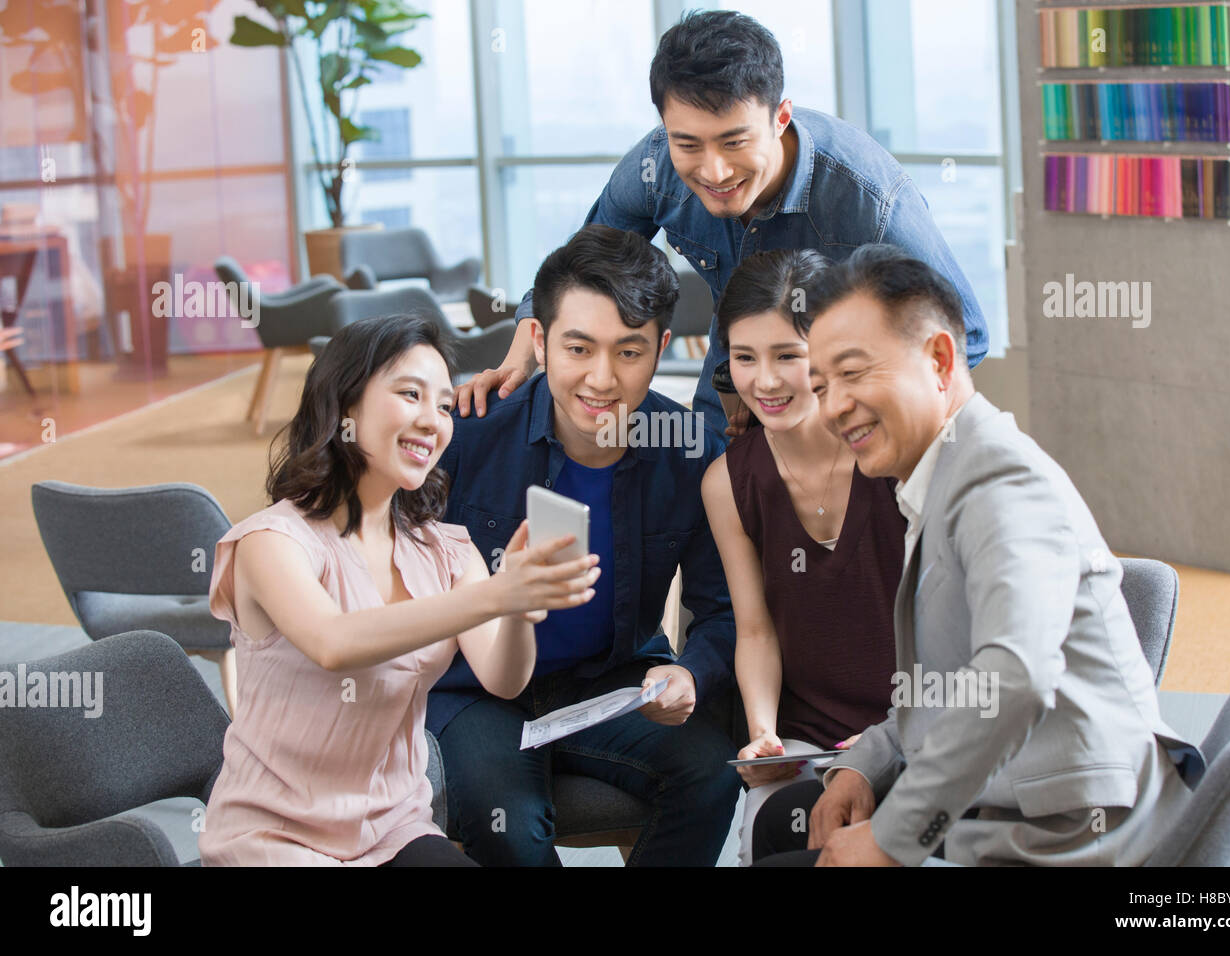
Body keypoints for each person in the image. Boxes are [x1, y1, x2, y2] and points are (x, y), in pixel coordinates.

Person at [752, 244, 1204, 866]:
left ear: (939, 360)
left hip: (1069, 836)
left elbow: (1014, 674)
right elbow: (953, 680)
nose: (832, 407)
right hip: (1016, 802)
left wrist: (891, 840)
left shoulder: (998, 482)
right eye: (823, 386)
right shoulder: (941, 474)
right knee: (791, 819)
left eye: (854, 374)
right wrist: (868, 762)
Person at [455, 9, 989, 441]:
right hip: (730, 384)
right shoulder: (652, 169)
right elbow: (576, 273)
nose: (713, 171)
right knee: (715, 514)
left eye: (734, 142)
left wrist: (839, 394)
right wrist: (521, 357)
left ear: (780, 119)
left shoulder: (868, 198)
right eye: (687, 143)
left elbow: (967, 332)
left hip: (842, 401)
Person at [198, 315, 599, 866]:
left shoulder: (445, 550)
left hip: (394, 826)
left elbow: (504, 680)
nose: (432, 421)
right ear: (345, 405)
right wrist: (498, 595)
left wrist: (523, 609)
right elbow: (334, 642)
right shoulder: (271, 541)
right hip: (276, 836)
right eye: (409, 394)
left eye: (441, 404)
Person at [427, 224, 741, 867]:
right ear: (538, 342)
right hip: (476, 693)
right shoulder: (470, 432)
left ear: (663, 347)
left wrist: (690, 671)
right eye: (579, 348)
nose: (602, 380)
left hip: (613, 681)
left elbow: (725, 609)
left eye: (630, 352)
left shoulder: (688, 449)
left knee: (713, 772)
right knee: (509, 827)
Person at [698, 249, 904, 865]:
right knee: (781, 831)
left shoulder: (896, 456)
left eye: (787, 355)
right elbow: (755, 628)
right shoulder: (726, 483)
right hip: (809, 741)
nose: (764, 381)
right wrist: (764, 733)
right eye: (744, 358)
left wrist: (887, 743)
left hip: (917, 728)